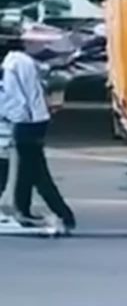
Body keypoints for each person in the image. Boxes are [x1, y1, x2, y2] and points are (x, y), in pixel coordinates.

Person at [0, 22, 75, 233]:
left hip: (27, 122)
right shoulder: (21, 61)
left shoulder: (12, 64)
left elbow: (13, 98)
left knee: (36, 172)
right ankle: (24, 210)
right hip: (35, 120)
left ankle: (61, 213)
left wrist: (13, 119)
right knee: (28, 169)